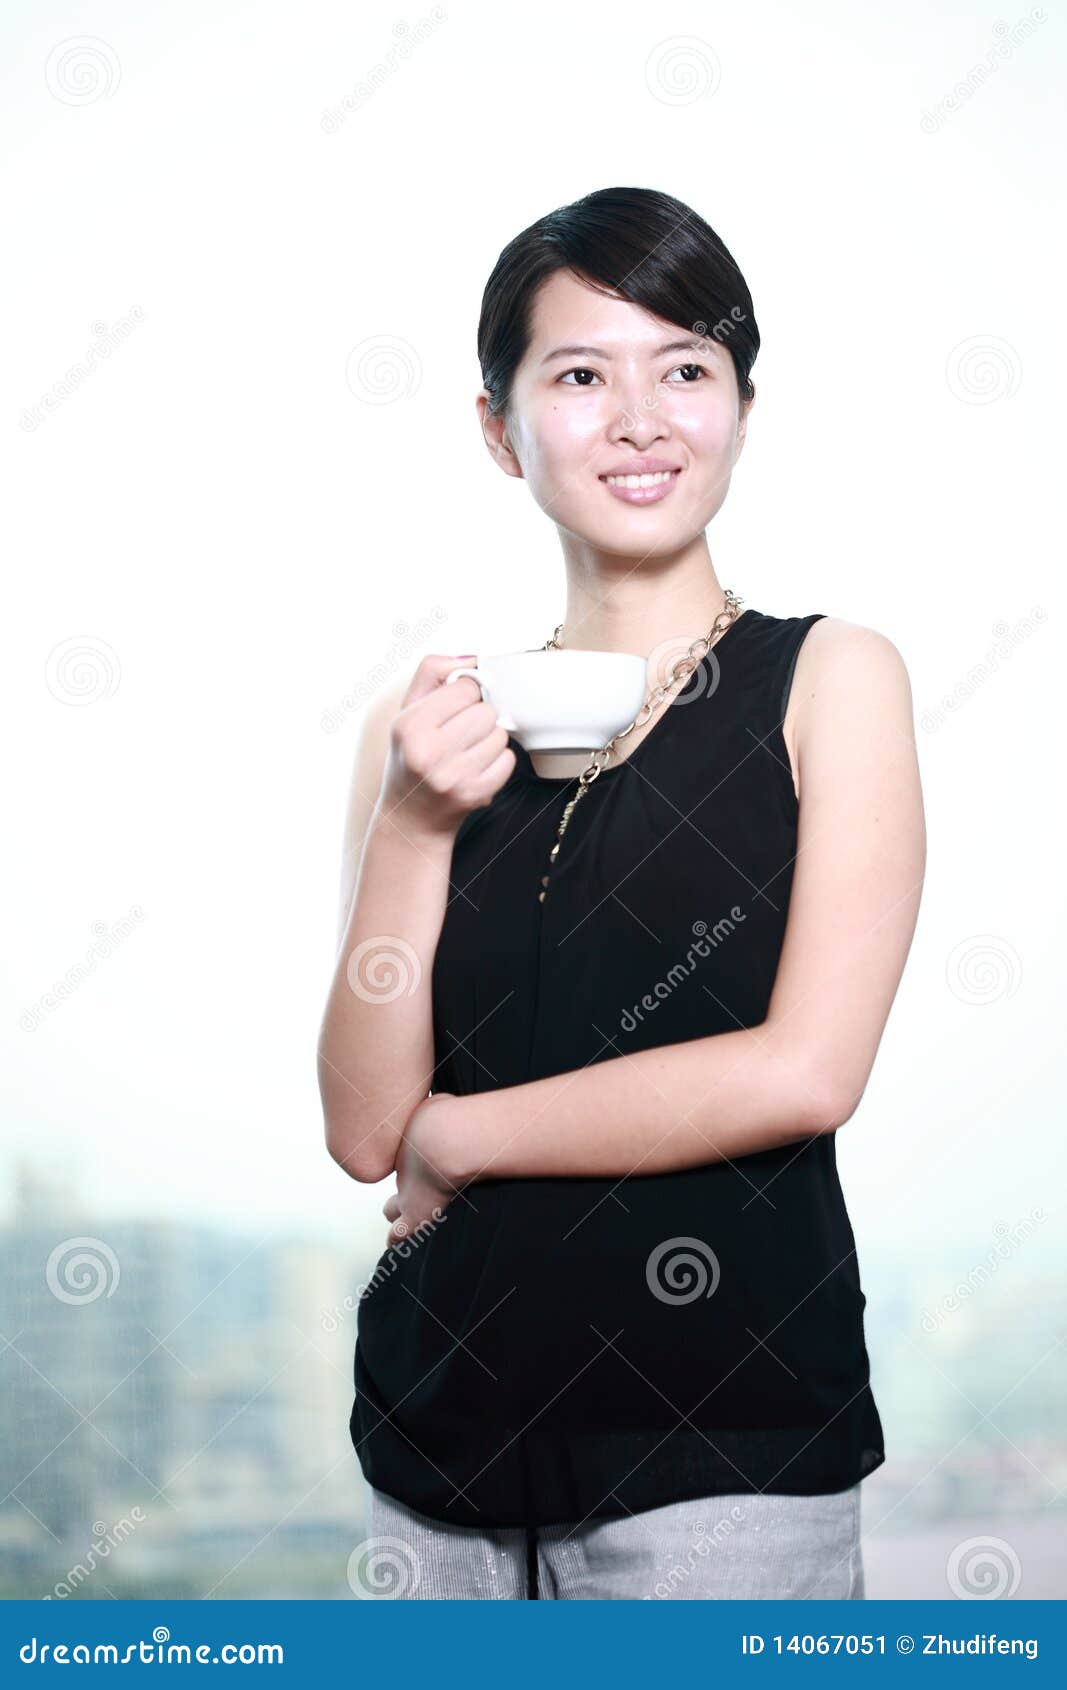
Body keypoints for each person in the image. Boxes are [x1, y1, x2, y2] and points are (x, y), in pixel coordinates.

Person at [318, 186, 926, 1600]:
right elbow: (361, 1128)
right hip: (436, 1452)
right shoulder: (422, 726)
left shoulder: (832, 678)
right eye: (582, 375)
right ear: (498, 427)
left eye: (687, 369)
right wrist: (413, 825)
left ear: (743, 409)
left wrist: (463, 1135)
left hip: (727, 1450)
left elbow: (806, 1069)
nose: (641, 418)